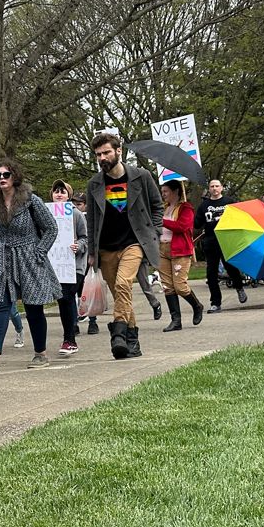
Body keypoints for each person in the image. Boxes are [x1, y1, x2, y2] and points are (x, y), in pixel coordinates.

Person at [84, 132, 163, 359]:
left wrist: (154, 232)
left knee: (122, 284)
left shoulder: (141, 176)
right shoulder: (94, 184)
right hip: (106, 247)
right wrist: (92, 252)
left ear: (119, 151)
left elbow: (157, 206)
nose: (102, 157)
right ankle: (132, 342)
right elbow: (91, 221)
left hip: (134, 242)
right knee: (121, 294)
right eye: (98, 154)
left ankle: (117, 333)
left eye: (107, 152)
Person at [0, 159, 62, 371]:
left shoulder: (31, 201)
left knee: (34, 306)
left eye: (6, 174)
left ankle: (40, 354)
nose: (2, 179)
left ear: (14, 176)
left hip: (28, 256)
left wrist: (39, 251)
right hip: (1, 258)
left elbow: (51, 228)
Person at [195, 179, 247, 313]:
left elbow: (240, 219)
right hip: (210, 242)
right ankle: (215, 303)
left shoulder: (229, 202)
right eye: (212, 186)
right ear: (209, 189)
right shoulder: (204, 205)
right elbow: (197, 224)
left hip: (227, 240)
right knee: (211, 273)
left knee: (231, 268)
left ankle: (239, 288)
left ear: (222, 188)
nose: (214, 188)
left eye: (217, 186)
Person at [158, 180, 204, 332]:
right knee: (167, 287)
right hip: (162, 249)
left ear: (176, 191)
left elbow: (182, 227)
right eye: (162, 191)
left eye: (166, 191)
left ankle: (197, 305)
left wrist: (162, 221)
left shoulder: (186, 208)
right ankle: (175, 321)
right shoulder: (163, 208)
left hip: (180, 250)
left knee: (180, 286)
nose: (163, 194)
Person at [50, 180, 86, 356]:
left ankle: (70, 340)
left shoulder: (76, 214)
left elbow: (85, 237)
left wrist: (78, 245)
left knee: (67, 296)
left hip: (75, 265)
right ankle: (71, 334)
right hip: (54, 266)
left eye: (63, 191)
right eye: (56, 191)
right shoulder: (45, 213)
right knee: (64, 300)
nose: (59, 194)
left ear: (69, 195)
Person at [73, 193, 99, 335]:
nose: (76, 207)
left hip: (87, 259)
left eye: (79, 204)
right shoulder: (71, 217)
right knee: (75, 294)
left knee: (89, 292)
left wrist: (93, 255)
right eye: (75, 204)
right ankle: (74, 322)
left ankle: (93, 321)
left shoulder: (90, 219)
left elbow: (93, 238)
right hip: (75, 261)